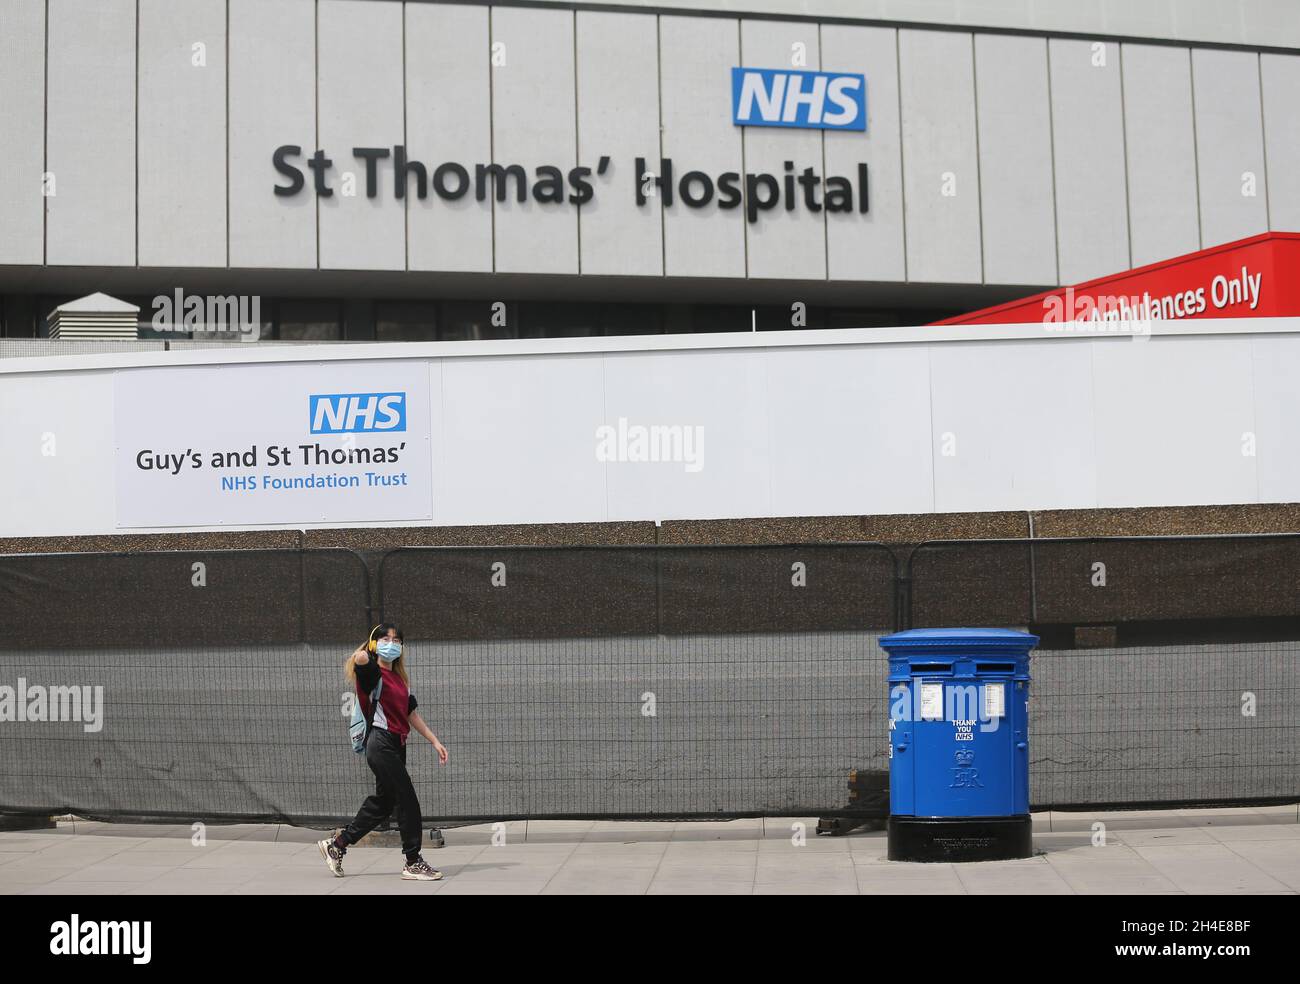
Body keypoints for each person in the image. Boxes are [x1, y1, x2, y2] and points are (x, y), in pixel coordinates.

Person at [318, 623, 449, 880]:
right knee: (407, 799)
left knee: (384, 803)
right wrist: (364, 654)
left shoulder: (400, 680)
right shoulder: (374, 675)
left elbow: (410, 714)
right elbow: (361, 661)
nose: (393, 643)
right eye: (386, 638)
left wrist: (434, 740)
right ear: (376, 643)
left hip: (397, 745)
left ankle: (338, 845)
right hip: (380, 743)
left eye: (397, 640)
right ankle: (413, 861)